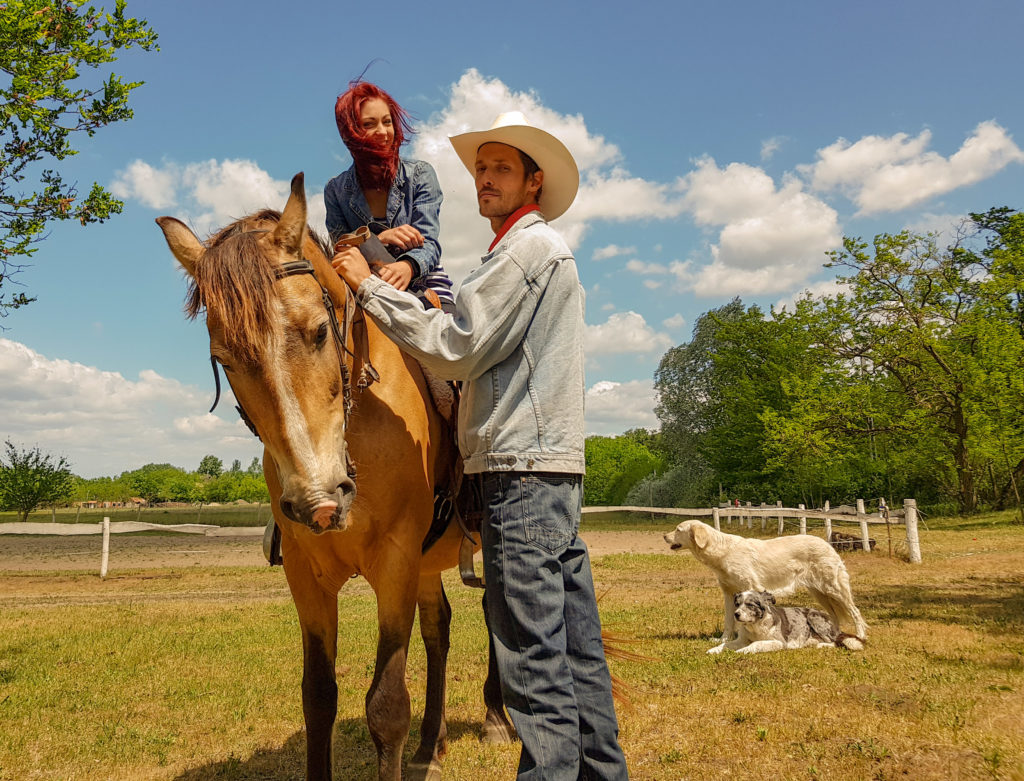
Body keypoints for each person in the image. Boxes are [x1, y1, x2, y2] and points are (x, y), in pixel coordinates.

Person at [333, 111, 629, 780]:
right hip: (546, 476)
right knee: (578, 656)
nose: (485, 177)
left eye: (501, 167)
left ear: (533, 181)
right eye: (481, 168)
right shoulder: (526, 250)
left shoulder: (526, 251)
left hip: (520, 476)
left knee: (531, 667)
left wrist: (367, 284)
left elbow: (458, 345)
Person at [325, 81, 455, 312]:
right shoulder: (335, 190)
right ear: (350, 133)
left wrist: (407, 266)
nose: (383, 132)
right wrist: (380, 239)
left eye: (387, 122)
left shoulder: (420, 174)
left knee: (454, 341)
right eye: (369, 124)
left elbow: (429, 242)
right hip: (363, 284)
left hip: (422, 282)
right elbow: (341, 249)